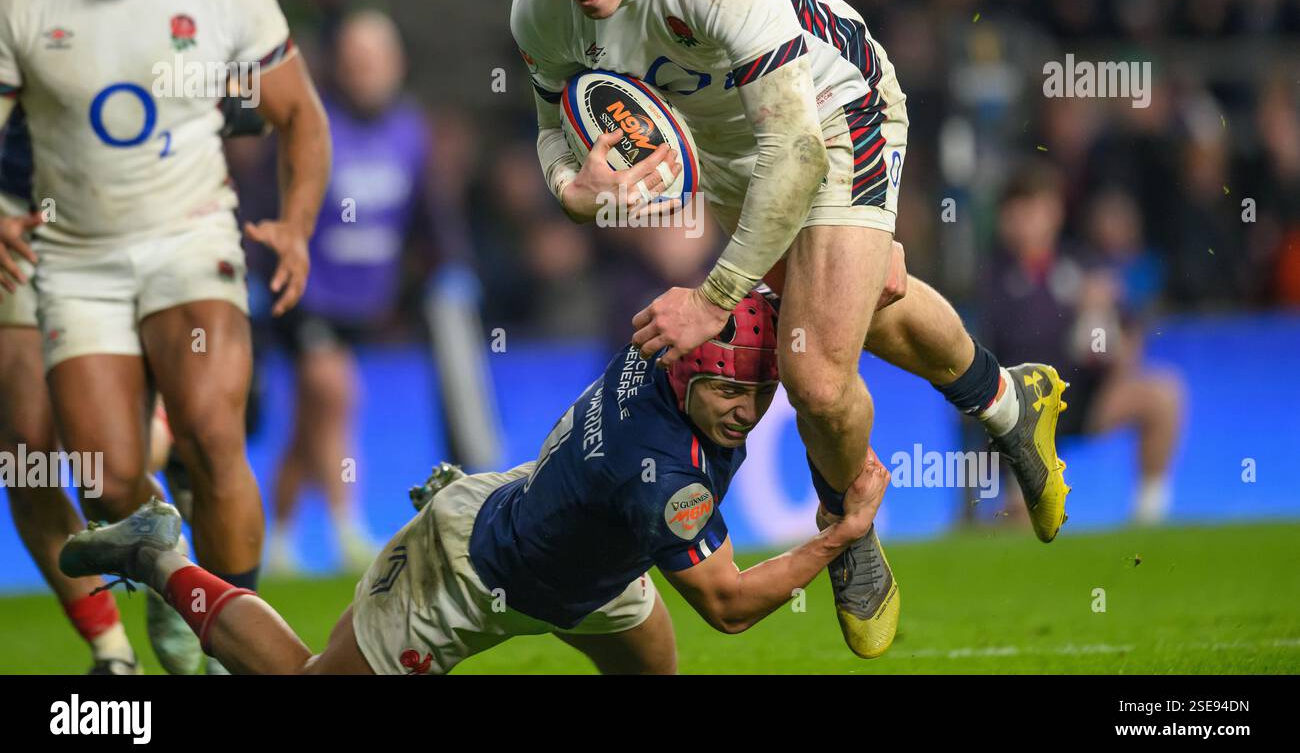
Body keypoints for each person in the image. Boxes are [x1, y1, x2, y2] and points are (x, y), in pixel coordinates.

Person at [504, 0, 1069, 658]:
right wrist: (574, 188)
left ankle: (849, 526)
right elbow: (555, 126)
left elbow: (798, 150)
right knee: (869, 303)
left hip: (833, 114)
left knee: (810, 364)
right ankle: (1008, 402)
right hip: (734, 151)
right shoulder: (542, 6)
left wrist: (713, 298)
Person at [59, 291, 892, 674]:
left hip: (581, 551)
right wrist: (842, 534)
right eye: (728, 392)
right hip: (471, 575)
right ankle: (159, 556)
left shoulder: (672, 340)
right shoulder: (659, 474)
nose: (745, 412)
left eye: (759, 392)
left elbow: (791, 285)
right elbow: (729, 606)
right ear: (687, 379)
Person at [0, 0, 330, 670]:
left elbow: (299, 114)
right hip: (74, 259)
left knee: (211, 429)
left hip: (190, 236)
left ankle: (229, 651)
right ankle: (177, 579)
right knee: (108, 483)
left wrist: (295, 224)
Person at [0, 0, 183, 676]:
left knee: (109, 454)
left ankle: (172, 561)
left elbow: (230, 102)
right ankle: (110, 654)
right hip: (24, 229)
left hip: (144, 231)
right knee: (26, 454)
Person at [264, 10, 449, 574]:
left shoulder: (411, 131)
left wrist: (448, 268)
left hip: (363, 300)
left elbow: (430, 214)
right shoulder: (313, 127)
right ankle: (348, 527)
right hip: (303, 291)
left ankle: (278, 538)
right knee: (338, 393)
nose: (365, 71)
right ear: (337, 67)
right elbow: (268, 203)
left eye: (375, 60)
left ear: (397, 65)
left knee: (309, 421)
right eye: (353, 61)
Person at [981, 165, 1185, 524]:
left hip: (1084, 397)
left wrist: (1107, 337)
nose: (1028, 220)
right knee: (1028, 525)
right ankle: (1008, 509)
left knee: (1163, 394)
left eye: (1037, 207)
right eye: (1019, 210)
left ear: (1055, 212)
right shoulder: (994, 279)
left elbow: (1128, 337)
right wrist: (1074, 321)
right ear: (1005, 219)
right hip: (1024, 411)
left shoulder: (1082, 263)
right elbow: (1003, 350)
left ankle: (1150, 516)